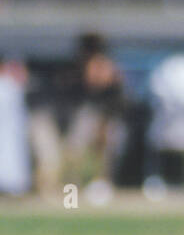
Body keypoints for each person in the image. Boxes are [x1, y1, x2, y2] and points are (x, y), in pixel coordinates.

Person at [27, 33, 127, 201]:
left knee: (76, 161)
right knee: (51, 163)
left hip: (79, 135)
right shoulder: (67, 73)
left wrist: (106, 85)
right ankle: (51, 200)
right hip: (53, 121)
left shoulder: (109, 85)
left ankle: (74, 199)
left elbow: (114, 111)